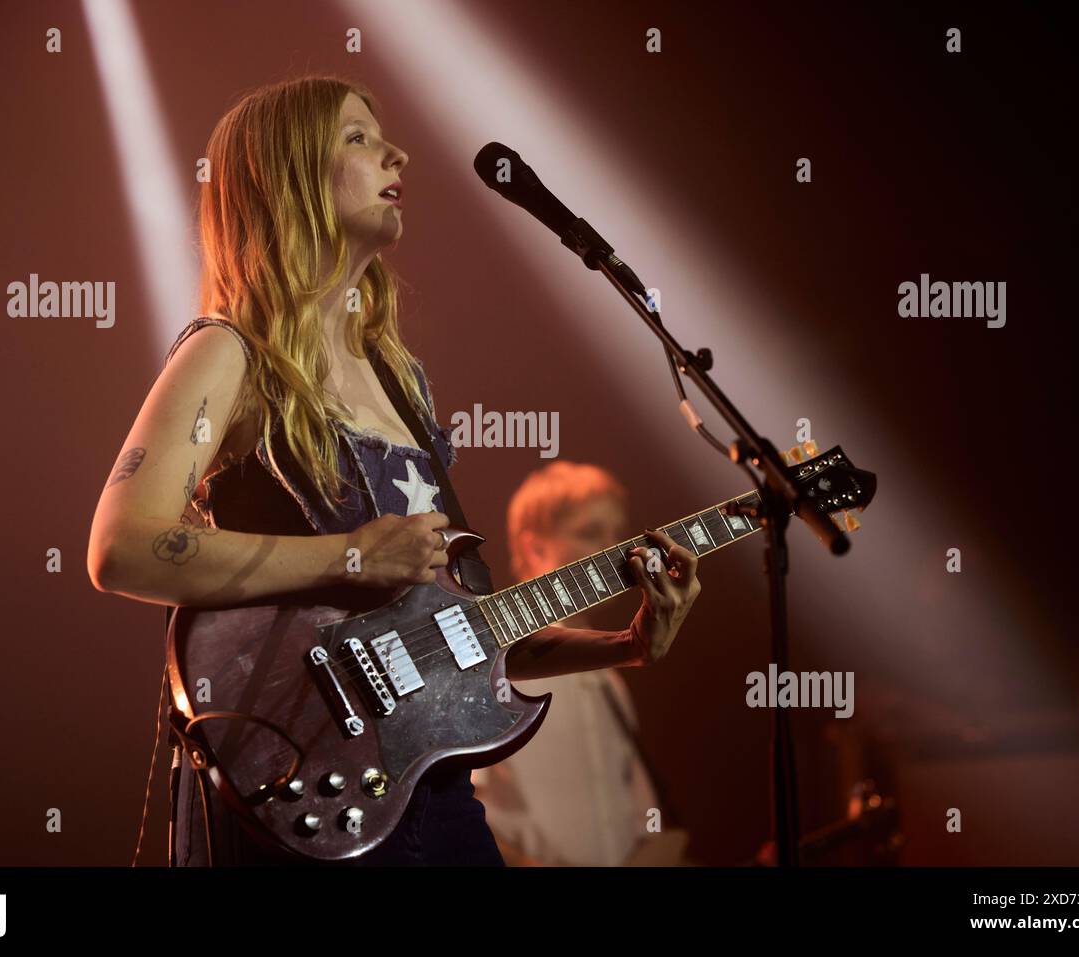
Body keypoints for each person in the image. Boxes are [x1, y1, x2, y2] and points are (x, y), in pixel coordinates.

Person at [86, 75, 703, 866]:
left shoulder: (399, 379)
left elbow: (459, 630)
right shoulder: (228, 353)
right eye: (357, 138)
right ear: (291, 176)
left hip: (433, 793)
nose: (396, 151)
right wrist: (350, 555)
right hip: (301, 781)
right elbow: (121, 546)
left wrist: (623, 643)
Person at [471, 462, 687, 866]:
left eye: (614, 533)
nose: (614, 549)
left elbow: (641, 818)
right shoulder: (492, 667)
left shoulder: (609, 678)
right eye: (590, 533)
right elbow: (462, 809)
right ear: (535, 546)